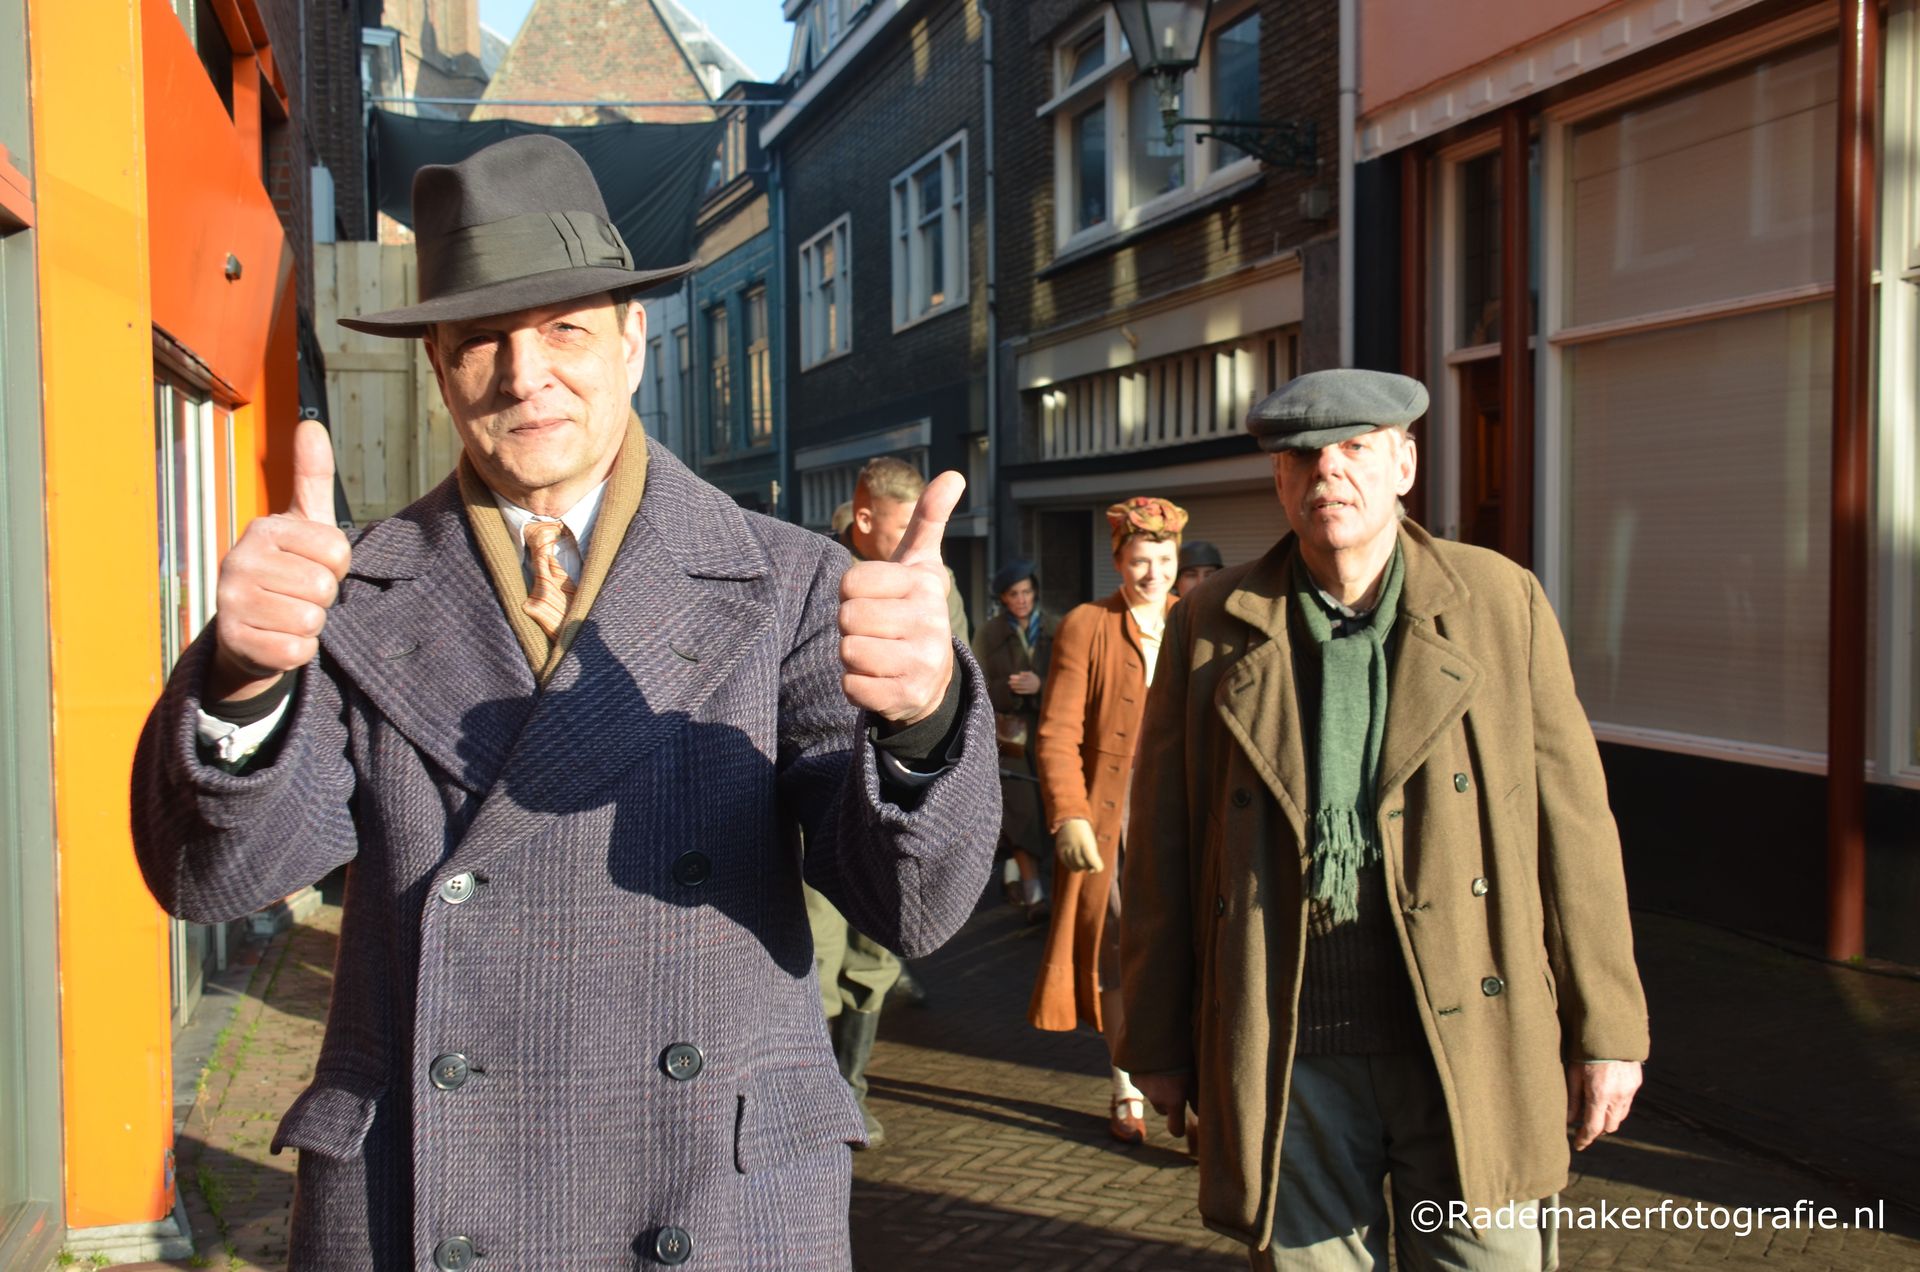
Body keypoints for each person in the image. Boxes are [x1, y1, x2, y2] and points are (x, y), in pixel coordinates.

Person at [130, 135, 999, 1271]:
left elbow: (912, 905)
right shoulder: (350, 594)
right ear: (437, 370)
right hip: (421, 1196)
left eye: (565, 330)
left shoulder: (789, 585)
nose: (525, 373)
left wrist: (925, 722)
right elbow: (214, 880)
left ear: (636, 341)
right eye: (481, 339)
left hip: (717, 1203)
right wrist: (241, 683)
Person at [1116, 369, 1649, 1269]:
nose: (1331, 473)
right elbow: (1166, 848)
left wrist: (1609, 1033)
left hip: (1474, 1039)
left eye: (1356, 448)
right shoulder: (1214, 620)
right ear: (1281, 483)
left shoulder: (1500, 602)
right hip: (1290, 1049)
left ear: (1403, 464)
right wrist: (1157, 1038)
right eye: (1303, 458)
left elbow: (1575, 827)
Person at [804, 455, 966, 1145]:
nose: (916, 548)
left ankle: (852, 1088)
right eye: (903, 531)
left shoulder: (936, 582)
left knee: (877, 952)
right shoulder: (809, 575)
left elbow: (958, 674)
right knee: (814, 952)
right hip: (820, 800)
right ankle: (811, 1095)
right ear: (864, 519)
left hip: (894, 801)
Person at [1029, 496, 1186, 1146]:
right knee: (1121, 953)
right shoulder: (1085, 625)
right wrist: (1069, 815)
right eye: (1140, 560)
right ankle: (1129, 1087)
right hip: (1111, 823)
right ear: (1119, 559)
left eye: (1165, 559)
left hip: (1185, 816)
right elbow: (1057, 731)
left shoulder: (1198, 619)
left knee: (1188, 953)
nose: (1154, 573)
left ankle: (1185, 1087)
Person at [971, 558, 1058, 921]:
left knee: (1047, 808)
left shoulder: (1058, 626)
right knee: (1021, 809)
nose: (1022, 600)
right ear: (1003, 599)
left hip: (1051, 728)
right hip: (1009, 737)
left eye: (1026, 592)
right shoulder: (989, 634)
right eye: (1013, 594)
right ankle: (1034, 895)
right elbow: (975, 687)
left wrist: (1042, 686)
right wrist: (1007, 690)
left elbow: (1075, 680)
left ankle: (1015, 873)